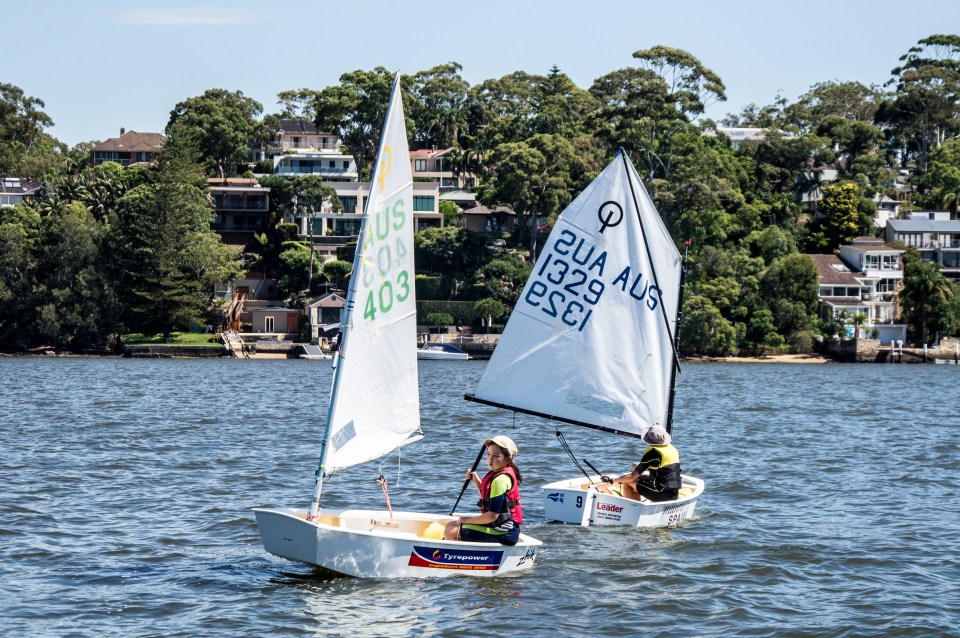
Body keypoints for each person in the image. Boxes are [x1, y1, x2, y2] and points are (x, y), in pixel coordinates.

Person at [444, 435, 523, 545]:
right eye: (488, 454)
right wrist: (476, 481)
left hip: (503, 532)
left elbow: (492, 516)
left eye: (495, 456)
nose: (490, 459)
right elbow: (490, 498)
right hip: (500, 526)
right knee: (450, 525)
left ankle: (461, 558)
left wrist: (465, 520)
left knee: (450, 531)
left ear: (508, 459)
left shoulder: (500, 480)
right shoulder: (499, 473)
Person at [610, 425, 682, 502]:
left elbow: (632, 477)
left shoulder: (653, 453)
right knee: (638, 481)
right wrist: (640, 477)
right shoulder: (672, 449)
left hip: (661, 494)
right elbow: (659, 474)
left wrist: (611, 480)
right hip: (673, 494)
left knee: (628, 482)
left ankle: (634, 510)